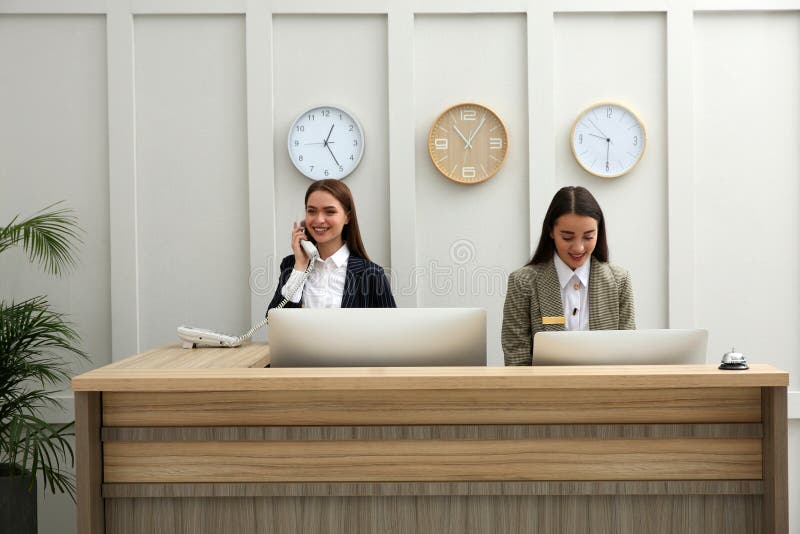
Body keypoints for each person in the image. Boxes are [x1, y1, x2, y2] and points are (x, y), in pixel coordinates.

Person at [501, 186, 635, 365]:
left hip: (605, 382)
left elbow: (627, 355)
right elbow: (516, 359)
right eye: (567, 237)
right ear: (551, 231)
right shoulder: (523, 282)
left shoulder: (619, 281)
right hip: (544, 383)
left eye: (588, 237)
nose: (578, 248)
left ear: (598, 232)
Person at [267, 179, 396, 312]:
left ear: (347, 217)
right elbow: (272, 320)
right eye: (311, 211)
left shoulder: (372, 273)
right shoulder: (291, 265)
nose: (319, 220)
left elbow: (391, 323)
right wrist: (299, 267)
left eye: (330, 212)